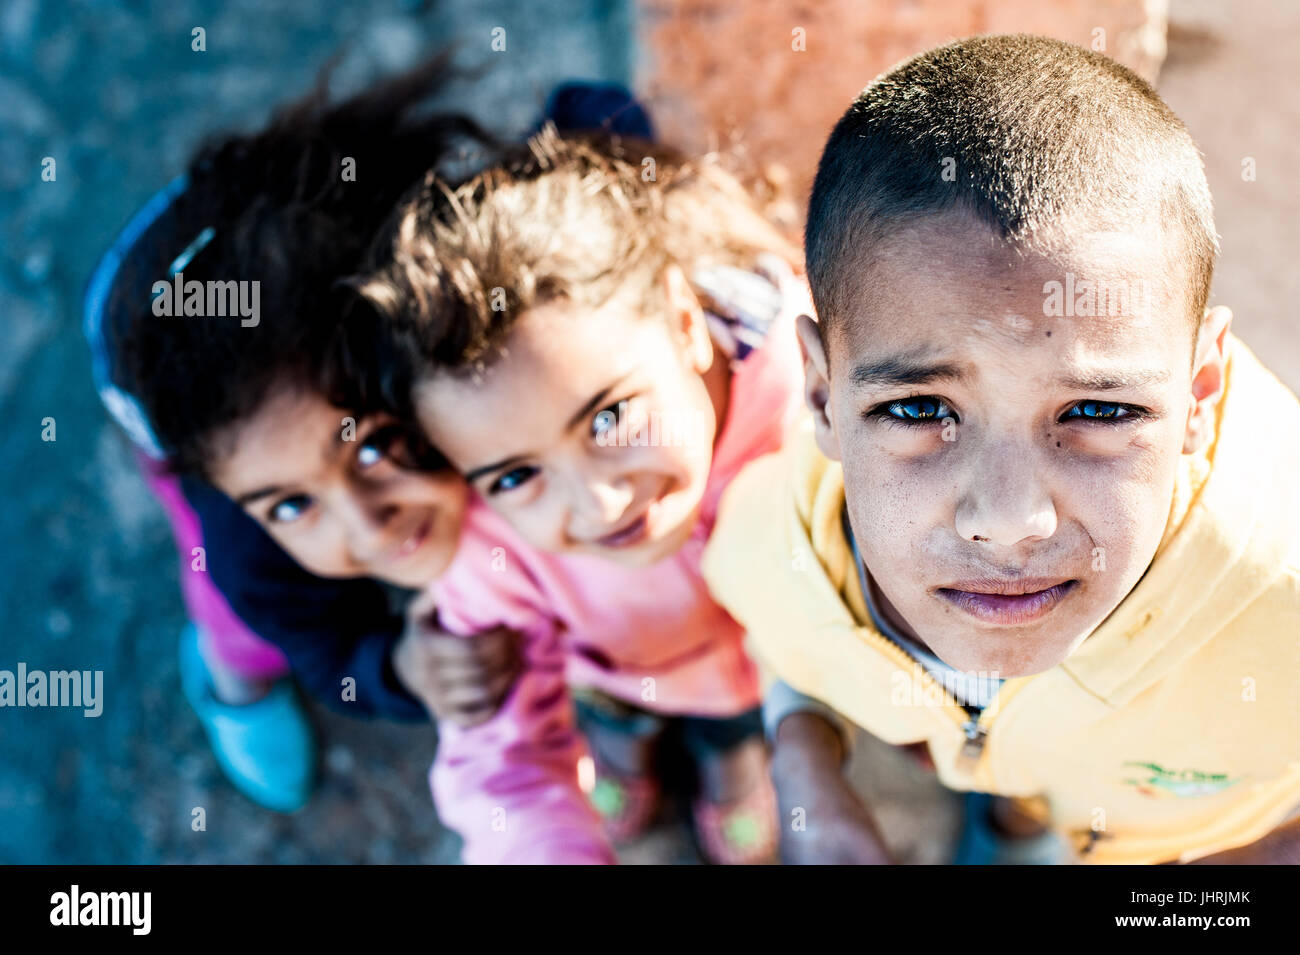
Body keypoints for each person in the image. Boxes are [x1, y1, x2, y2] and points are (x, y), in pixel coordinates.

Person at [701, 34, 1300, 864]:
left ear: (1200, 392)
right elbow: (789, 634)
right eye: (918, 408)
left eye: (1097, 407)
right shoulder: (778, 542)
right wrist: (808, 765)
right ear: (821, 394)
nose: (1010, 521)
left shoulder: (1285, 609)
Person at [354, 129, 812, 863]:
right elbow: (503, 755)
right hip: (615, 677)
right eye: (514, 475)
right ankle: (629, 764)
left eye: (609, 416)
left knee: (736, 729)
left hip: (769, 676)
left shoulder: (814, 398)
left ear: (687, 322)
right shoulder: (486, 548)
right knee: (619, 728)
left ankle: (732, 773)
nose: (599, 505)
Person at [87, 55, 525, 811]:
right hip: (148, 353)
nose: (367, 524)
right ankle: (233, 683)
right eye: (290, 504)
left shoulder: (455, 318)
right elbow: (334, 656)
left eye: (371, 445)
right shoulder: (244, 534)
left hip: (245, 242)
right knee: (236, 604)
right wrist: (396, 667)